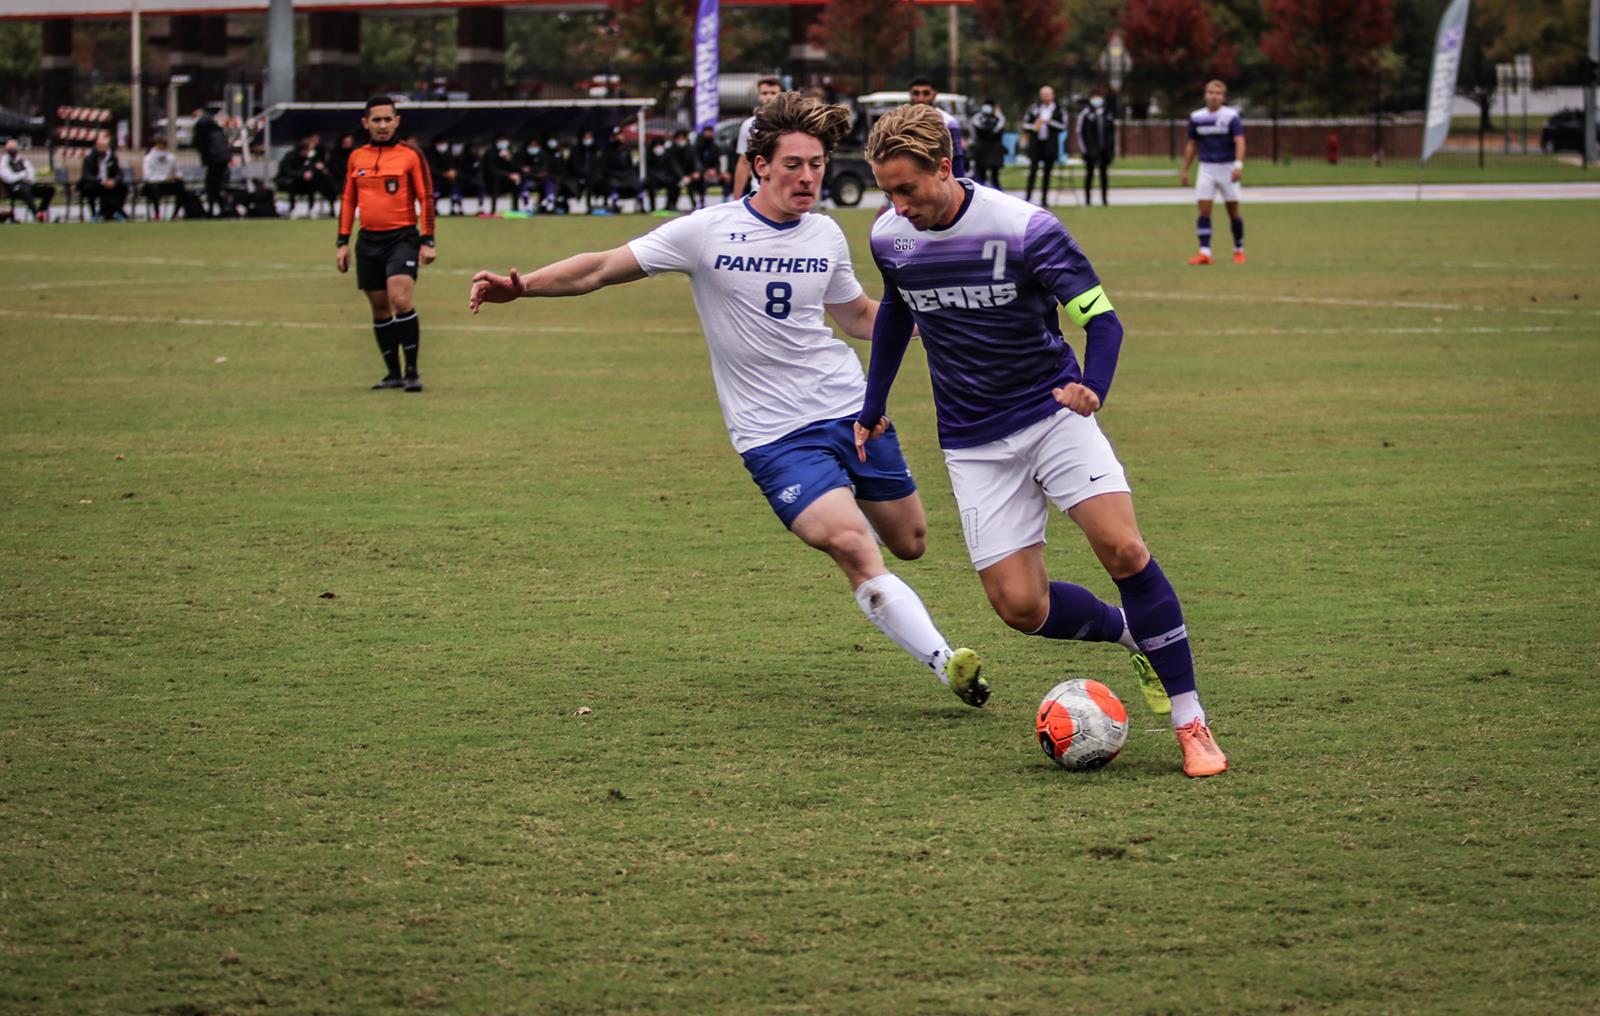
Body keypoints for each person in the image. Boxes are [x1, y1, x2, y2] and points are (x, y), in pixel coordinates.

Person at [468, 91, 987, 709]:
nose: (808, 177)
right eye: (793, 164)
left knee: (911, 542)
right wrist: (521, 286)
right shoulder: (704, 232)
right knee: (853, 544)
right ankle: (946, 662)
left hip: (851, 412)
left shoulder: (825, 234)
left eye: (817, 164)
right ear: (759, 163)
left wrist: (947, 320)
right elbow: (602, 267)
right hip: (773, 436)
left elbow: (857, 316)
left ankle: (921, 624)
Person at [859, 103, 1228, 778]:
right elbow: (893, 313)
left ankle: (1190, 720)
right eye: (886, 190)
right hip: (972, 442)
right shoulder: (890, 238)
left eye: (906, 188)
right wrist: (872, 404)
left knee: (1123, 546)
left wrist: (1094, 388)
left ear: (944, 168)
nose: (897, 204)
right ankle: (1132, 635)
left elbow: (1104, 321)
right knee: (1020, 609)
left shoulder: (1026, 229)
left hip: (1054, 413)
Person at [336, 96, 436, 393]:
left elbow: (426, 197)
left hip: (402, 238)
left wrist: (427, 240)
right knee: (380, 309)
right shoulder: (357, 157)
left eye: (387, 119)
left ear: (397, 121)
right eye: (376, 120)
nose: (382, 125)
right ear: (365, 123)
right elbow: (348, 199)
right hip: (368, 241)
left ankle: (412, 372)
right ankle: (392, 373)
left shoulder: (410, 155)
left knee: (400, 299)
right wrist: (342, 242)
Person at [1178, 80, 1246, 265]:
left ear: (1223, 97)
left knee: (1233, 211)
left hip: (1227, 167)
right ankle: (1205, 252)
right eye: (1210, 92)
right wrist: (1185, 169)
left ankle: (1238, 250)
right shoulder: (1196, 117)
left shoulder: (1231, 116)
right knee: (1204, 210)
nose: (1213, 96)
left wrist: (1238, 165)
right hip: (1206, 168)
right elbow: (1192, 144)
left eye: (1218, 93)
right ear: (1205, 94)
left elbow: (1239, 140)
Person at [731, 75, 783, 199]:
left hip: (786, 190)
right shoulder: (749, 125)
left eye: (773, 93)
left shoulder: (790, 123)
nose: (769, 97)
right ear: (759, 96)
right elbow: (743, 162)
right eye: (764, 93)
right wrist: (736, 198)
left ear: (781, 95)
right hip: (760, 192)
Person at [906, 76, 966, 179]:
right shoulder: (900, 120)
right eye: (916, 93)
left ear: (934, 94)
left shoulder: (948, 122)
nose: (921, 98)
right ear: (910, 94)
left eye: (926, 93)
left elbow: (957, 158)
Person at [1021, 85, 1066, 207]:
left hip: (1050, 145)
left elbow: (1062, 126)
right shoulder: (1033, 109)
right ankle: (1028, 197)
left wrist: (1049, 122)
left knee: (1047, 173)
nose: (1046, 96)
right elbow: (1025, 125)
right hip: (1036, 145)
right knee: (1033, 171)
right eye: (1043, 94)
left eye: (1048, 94)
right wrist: (1035, 126)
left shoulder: (1058, 109)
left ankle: (1044, 199)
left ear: (1053, 95)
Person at [1075, 88, 1116, 206]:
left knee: (1104, 175)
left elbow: (1112, 132)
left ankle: (1104, 200)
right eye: (1095, 97)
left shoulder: (1108, 113)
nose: (1097, 100)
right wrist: (1085, 149)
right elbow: (1079, 131)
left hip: (1104, 150)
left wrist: (1111, 149)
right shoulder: (1086, 113)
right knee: (1089, 174)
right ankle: (1087, 200)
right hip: (1091, 150)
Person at [191, 106, 232, 217]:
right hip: (223, 157)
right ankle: (223, 207)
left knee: (211, 185)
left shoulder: (202, 123)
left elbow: (199, 142)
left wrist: (204, 158)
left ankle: (215, 209)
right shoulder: (213, 124)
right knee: (217, 185)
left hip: (214, 158)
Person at [78, 133, 129, 221]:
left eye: (105, 146)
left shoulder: (112, 158)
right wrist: (101, 181)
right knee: (89, 188)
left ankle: (117, 211)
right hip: (96, 183)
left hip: (109, 183)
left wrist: (114, 181)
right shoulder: (89, 159)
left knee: (123, 187)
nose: (102, 149)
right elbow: (86, 175)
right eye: (100, 146)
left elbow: (119, 173)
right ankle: (93, 214)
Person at [1, 139, 54, 222]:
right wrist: (22, 175)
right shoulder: (4, 162)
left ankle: (41, 211)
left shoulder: (22, 160)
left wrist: (25, 176)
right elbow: (8, 177)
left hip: (28, 185)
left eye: (14, 149)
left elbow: (31, 174)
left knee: (49, 190)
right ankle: (36, 213)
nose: (13, 151)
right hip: (14, 189)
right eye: (10, 149)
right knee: (25, 190)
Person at [140, 136, 185, 219]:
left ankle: (175, 214)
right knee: (154, 188)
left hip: (168, 184)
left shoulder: (171, 157)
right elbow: (148, 176)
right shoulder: (149, 158)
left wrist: (176, 177)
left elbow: (177, 171)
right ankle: (157, 213)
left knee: (181, 187)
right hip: (154, 185)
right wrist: (163, 178)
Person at [968, 98, 1007, 189]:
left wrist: (988, 131)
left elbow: (997, 131)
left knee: (995, 174)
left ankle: (998, 193)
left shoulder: (999, 118)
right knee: (981, 174)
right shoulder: (977, 117)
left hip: (994, 149)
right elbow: (979, 131)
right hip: (981, 149)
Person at [692, 124, 728, 206]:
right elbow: (696, 161)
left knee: (726, 179)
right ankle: (700, 202)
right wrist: (703, 171)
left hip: (714, 171)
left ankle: (725, 201)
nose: (708, 134)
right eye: (707, 132)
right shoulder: (697, 146)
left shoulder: (716, 147)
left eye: (710, 132)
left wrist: (716, 171)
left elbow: (719, 161)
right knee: (699, 180)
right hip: (702, 172)